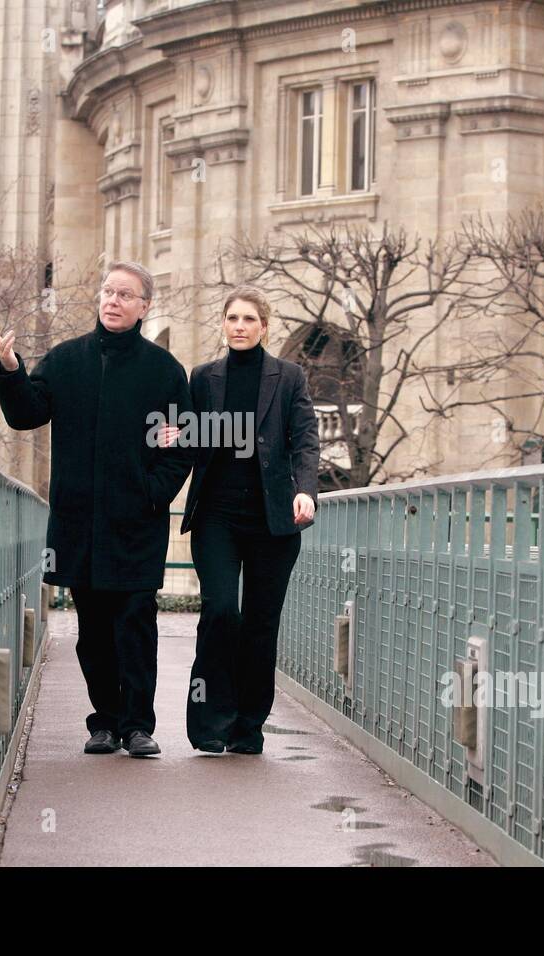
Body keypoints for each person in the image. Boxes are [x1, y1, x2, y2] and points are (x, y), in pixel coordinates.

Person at [0, 260, 192, 758]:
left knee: (136, 623)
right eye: (107, 292)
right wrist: (11, 369)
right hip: (78, 522)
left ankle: (139, 725)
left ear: (144, 307)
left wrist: (152, 492)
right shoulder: (65, 359)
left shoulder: (164, 371)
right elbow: (26, 415)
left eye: (125, 295)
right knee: (93, 631)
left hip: (136, 523)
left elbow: (183, 443)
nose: (112, 301)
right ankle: (104, 722)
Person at [175, 285, 320, 754]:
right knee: (220, 612)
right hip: (216, 513)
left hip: (272, 518)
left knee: (261, 622)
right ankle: (209, 723)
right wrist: (177, 436)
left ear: (264, 326)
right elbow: (196, 441)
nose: (239, 327)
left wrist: (305, 491)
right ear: (223, 324)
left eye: (249, 320)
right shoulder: (204, 377)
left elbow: (305, 440)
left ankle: (249, 725)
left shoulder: (289, 376)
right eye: (232, 318)